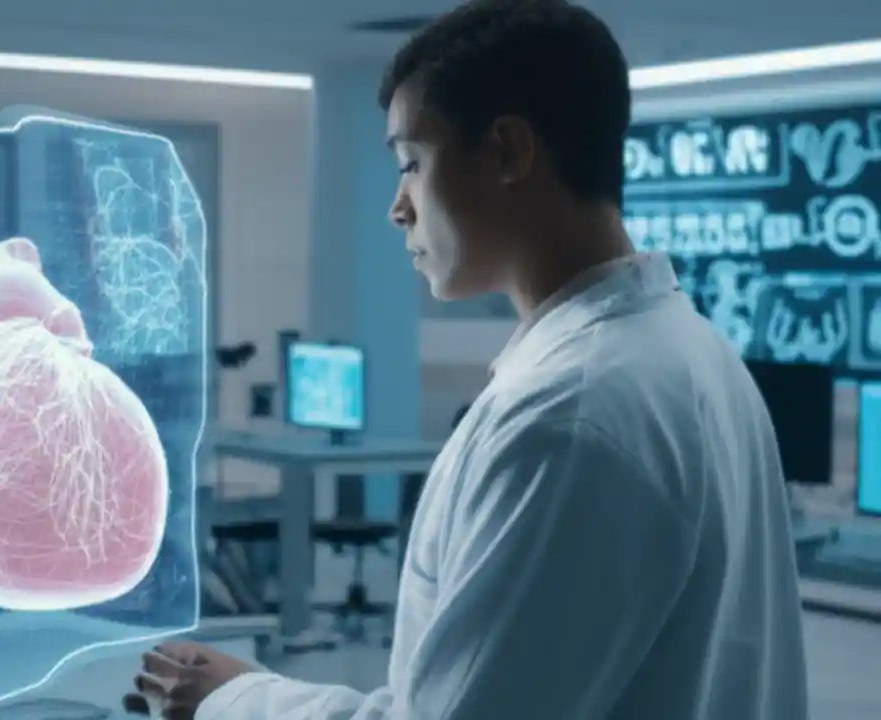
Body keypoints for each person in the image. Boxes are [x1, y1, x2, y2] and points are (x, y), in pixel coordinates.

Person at [124, 0, 809, 717]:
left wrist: (235, 699)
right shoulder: (694, 354)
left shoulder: (571, 415)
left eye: (412, 163)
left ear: (509, 151)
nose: (398, 207)